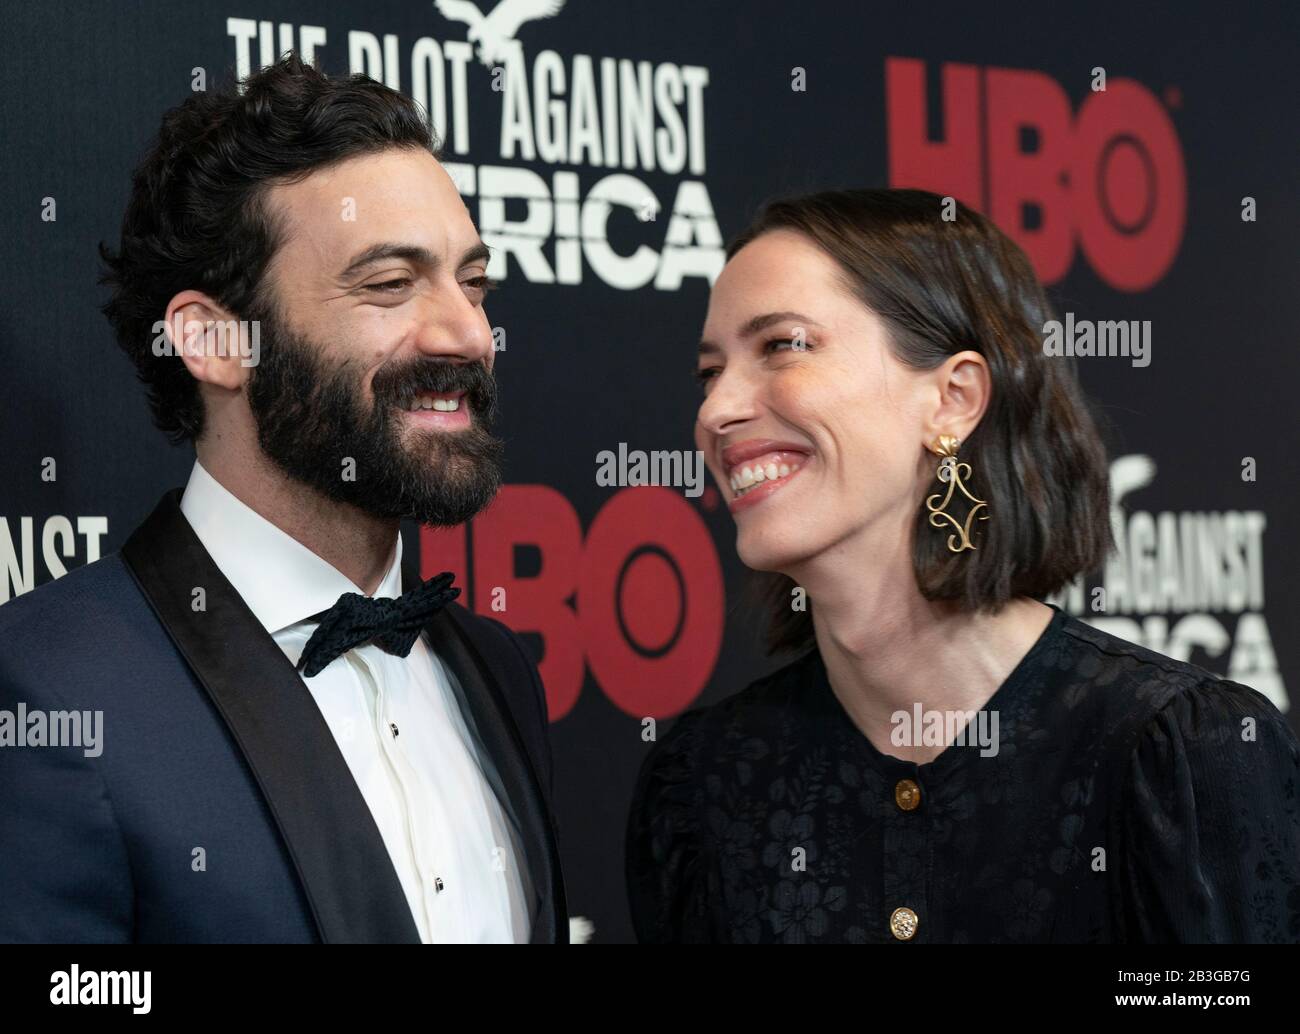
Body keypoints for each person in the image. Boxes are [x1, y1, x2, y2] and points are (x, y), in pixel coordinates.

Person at [625, 188, 1300, 943]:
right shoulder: (705, 783)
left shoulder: (1176, 755)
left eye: (782, 345)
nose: (717, 411)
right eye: (709, 373)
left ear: (953, 399)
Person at [0, 54, 566, 943]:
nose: (468, 331)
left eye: (474, 281)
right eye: (389, 283)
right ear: (215, 339)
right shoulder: (47, 691)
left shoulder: (496, 669)